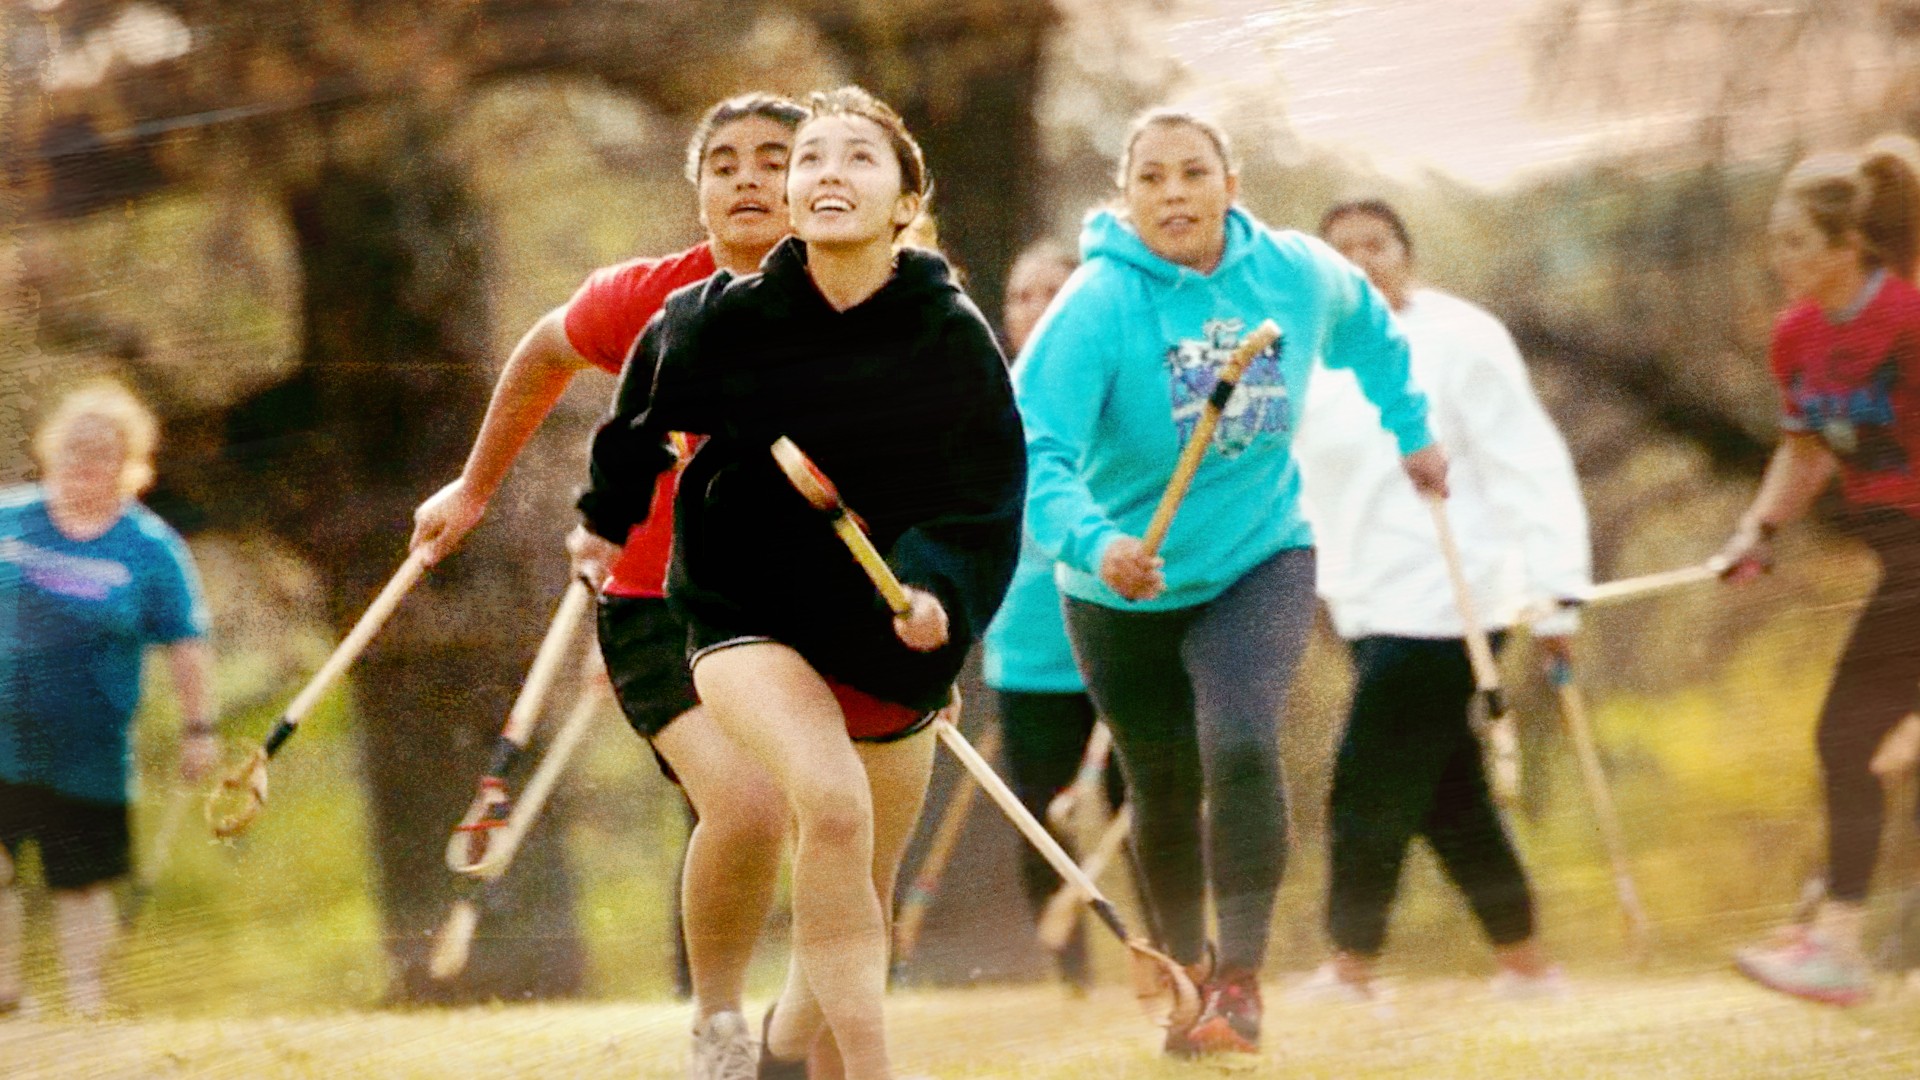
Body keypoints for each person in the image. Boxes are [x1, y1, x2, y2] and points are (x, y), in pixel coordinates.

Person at [572, 86, 1024, 1080]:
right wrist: (603, 524)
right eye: (809, 158)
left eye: (857, 158)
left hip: (892, 634)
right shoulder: (714, 320)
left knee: (860, 873)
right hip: (744, 614)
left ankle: (783, 1055)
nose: (824, 174)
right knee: (829, 804)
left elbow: (982, 494)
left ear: (907, 203)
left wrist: (938, 590)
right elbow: (637, 423)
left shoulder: (948, 336)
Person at [1013, 108, 1445, 1057]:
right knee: (1158, 785)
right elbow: (1034, 452)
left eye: (1193, 174)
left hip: (1260, 555)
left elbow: (1371, 326)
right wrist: (1095, 544)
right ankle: (1188, 976)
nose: (1174, 194)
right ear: (1125, 199)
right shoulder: (1095, 305)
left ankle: (1241, 984)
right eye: (1153, 178)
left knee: (1241, 738)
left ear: (1229, 185)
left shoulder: (1292, 271)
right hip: (1121, 584)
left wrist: (1410, 430)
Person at [409, 93, 806, 1076]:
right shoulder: (646, 299)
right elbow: (545, 351)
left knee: (838, 817)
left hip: (804, 611)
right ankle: (719, 1027)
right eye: (724, 163)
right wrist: (474, 486)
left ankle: (811, 1035)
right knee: (747, 805)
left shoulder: (864, 312)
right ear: (698, 192)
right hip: (655, 612)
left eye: (774, 159)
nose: (748, 177)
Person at [1291, 198, 1590, 1003]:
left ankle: (1351, 968)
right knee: (1444, 790)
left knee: (1368, 778)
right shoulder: (1309, 351)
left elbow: (1527, 459)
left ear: (1407, 253)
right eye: (1342, 251)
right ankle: (1527, 965)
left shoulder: (1462, 338)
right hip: (1362, 599)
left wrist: (1558, 589)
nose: (1362, 262)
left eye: (1377, 245)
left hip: (1456, 594)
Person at [1720, 136, 1920, 1007]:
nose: (1779, 257)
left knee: (1848, 736)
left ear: (1850, 248)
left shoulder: (1910, 322)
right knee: (1861, 743)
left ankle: (1838, 944)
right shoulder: (1796, 335)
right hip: (1897, 554)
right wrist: (1756, 529)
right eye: (1774, 238)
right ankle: (1840, 933)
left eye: (1796, 241)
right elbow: (1803, 455)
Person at [0, 382, 216, 1019]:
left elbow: (187, 641)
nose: (82, 469)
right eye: (72, 454)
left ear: (128, 467)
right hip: (1, 733)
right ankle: (6, 1000)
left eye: (99, 458)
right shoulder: (10, 521)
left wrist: (198, 728)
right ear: (51, 455)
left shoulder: (149, 550)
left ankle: (86, 1002)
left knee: (81, 882)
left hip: (88, 748)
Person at [981, 239, 1128, 991]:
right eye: (1021, 296)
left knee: (1146, 813)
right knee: (1042, 824)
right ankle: (1070, 978)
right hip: (1028, 651)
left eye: (1054, 293)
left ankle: (1167, 959)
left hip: (1121, 637)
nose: (1036, 310)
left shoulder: (1118, 390)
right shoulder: (981, 402)